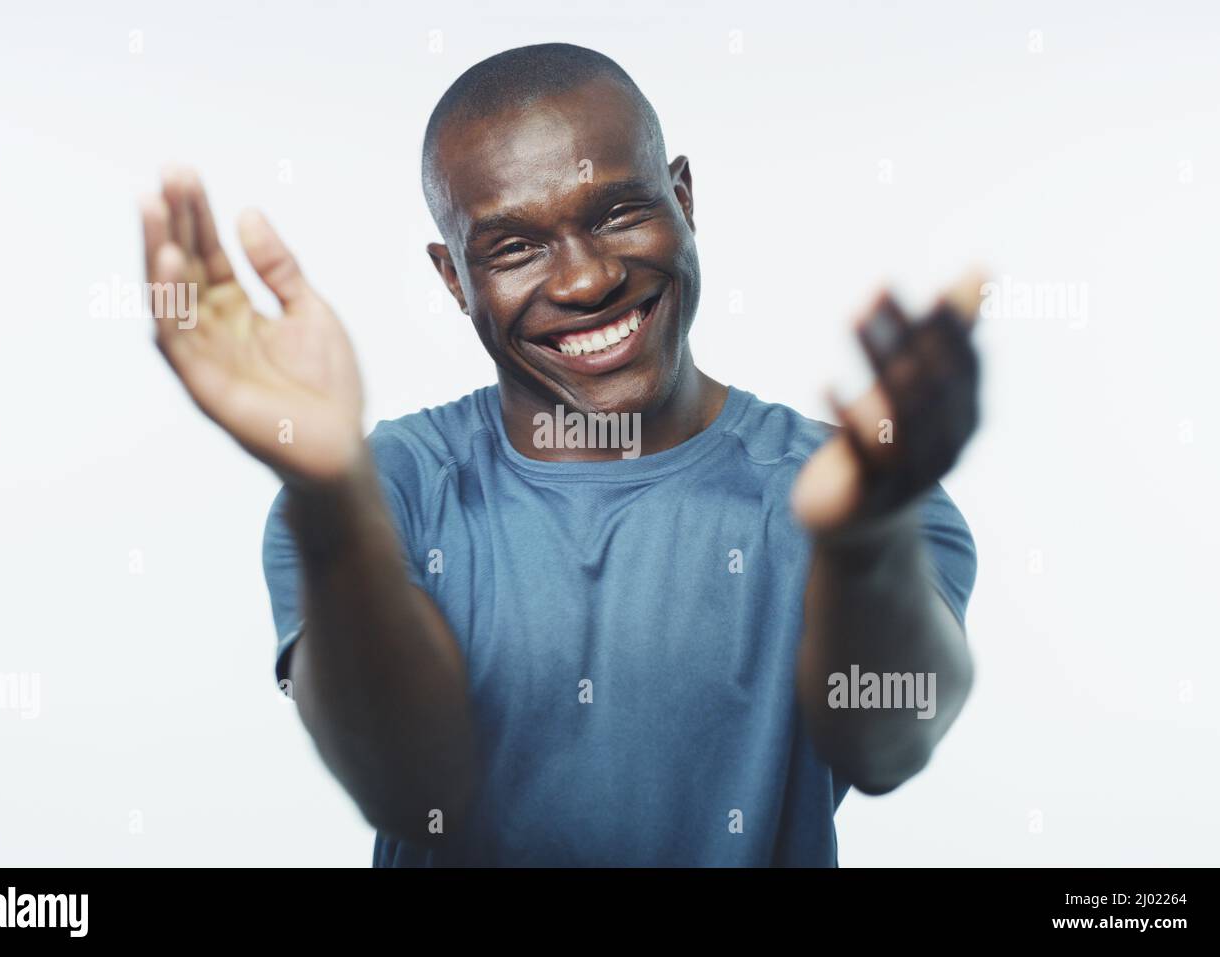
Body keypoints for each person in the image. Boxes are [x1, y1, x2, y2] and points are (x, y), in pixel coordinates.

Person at [139, 42, 981, 866]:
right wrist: (326, 492)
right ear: (452, 279)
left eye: (618, 213)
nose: (585, 281)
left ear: (683, 198)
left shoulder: (857, 489)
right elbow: (405, 786)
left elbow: (888, 745)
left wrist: (866, 543)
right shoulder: (377, 495)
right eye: (514, 247)